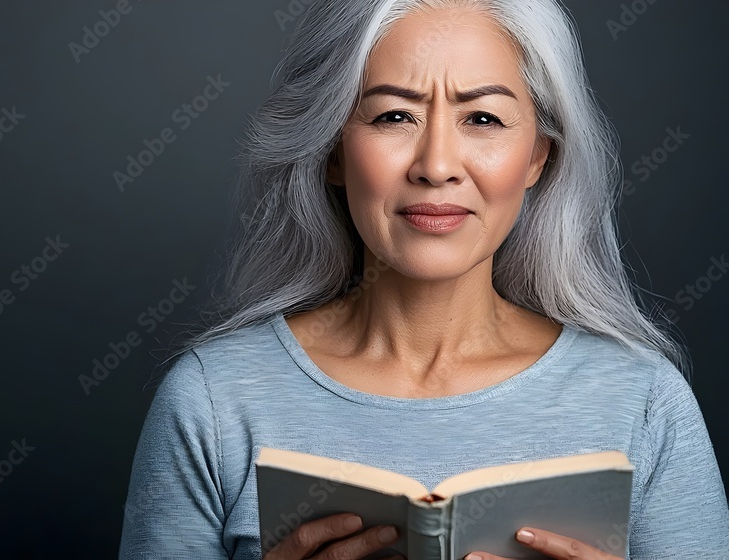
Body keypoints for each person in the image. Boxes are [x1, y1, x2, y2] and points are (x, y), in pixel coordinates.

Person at [118, 0, 729, 558]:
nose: (436, 166)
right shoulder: (211, 402)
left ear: (538, 155)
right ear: (332, 148)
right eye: (393, 115)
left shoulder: (645, 404)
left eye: (484, 118)